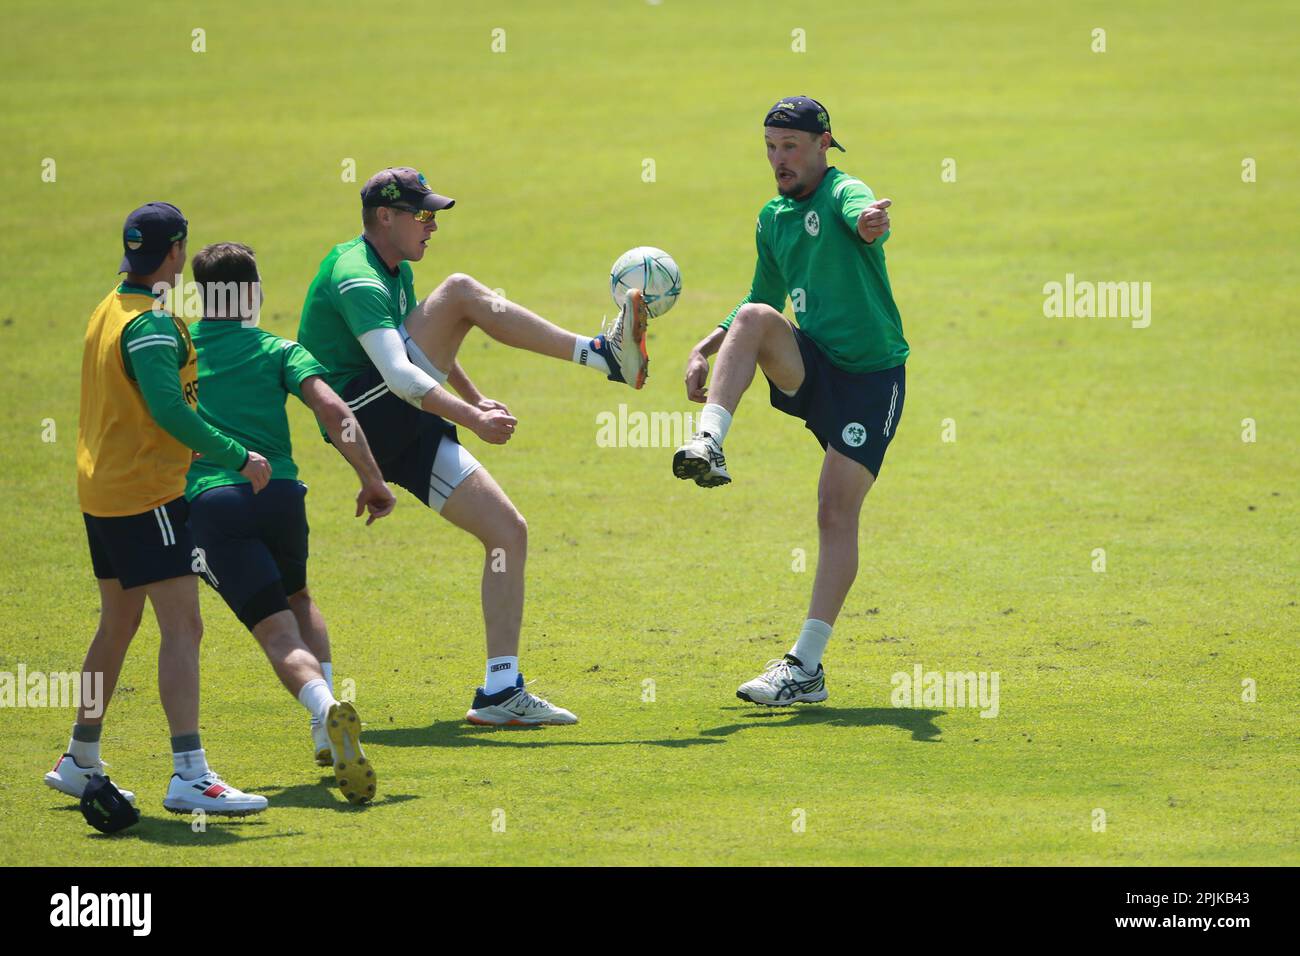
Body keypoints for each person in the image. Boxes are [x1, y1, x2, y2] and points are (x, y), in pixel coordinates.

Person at [298, 167, 648, 725]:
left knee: (507, 532)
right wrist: (470, 417)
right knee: (461, 291)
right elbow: (401, 374)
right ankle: (602, 355)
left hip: (399, 426)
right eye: (422, 213)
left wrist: (476, 398)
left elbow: (425, 350)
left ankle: (500, 692)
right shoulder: (357, 275)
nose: (431, 224)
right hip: (370, 415)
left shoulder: (393, 265)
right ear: (384, 217)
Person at [673, 97, 908, 706]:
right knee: (753, 318)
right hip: (816, 365)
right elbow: (760, 296)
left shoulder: (842, 193)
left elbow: (861, 212)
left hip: (871, 381)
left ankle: (805, 668)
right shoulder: (772, 218)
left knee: (834, 511)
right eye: (772, 148)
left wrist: (869, 225)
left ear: (823, 144)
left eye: (791, 148)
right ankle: (708, 441)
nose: (780, 160)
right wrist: (705, 345)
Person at [47, 202, 271, 815]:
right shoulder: (150, 326)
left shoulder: (108, 308)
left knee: (117, 624)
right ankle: (189, 774)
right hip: (146, 496)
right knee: (184, 627)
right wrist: (236, 454)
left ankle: (79, 757)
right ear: (175, 253)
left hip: (102, 491)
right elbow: (171, 410)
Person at [186, 241, 396, 804]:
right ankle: (322, 729)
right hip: (280, 495)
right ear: (252, 293)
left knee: (275, 632)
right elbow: (335, 411)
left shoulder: (176, 353)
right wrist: (373, 480)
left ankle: (324, 708)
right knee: (299, 596)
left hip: (213, 500)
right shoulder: (278, 348)